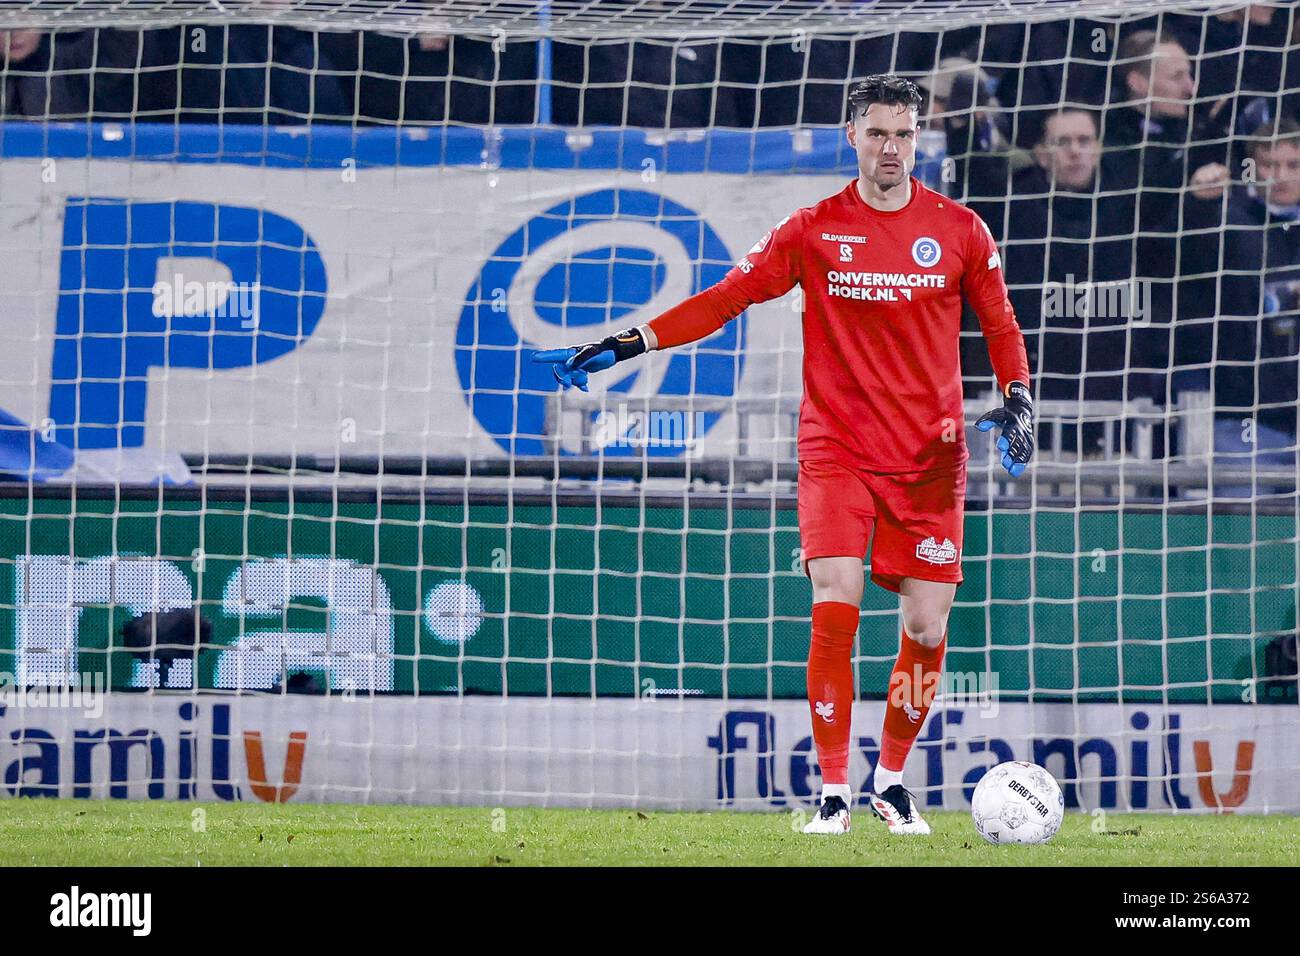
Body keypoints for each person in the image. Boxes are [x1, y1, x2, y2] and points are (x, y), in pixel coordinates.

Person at [531, 74, 1033, 836]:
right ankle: (833, 792)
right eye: (877, 133)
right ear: (852, 135)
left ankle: (889, 785)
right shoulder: (813, 228)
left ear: (918, 137)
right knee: (837, 595)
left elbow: (999, 324)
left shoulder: (961, 230)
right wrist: (630, 342)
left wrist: (1019, 395)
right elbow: (725, 297)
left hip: (931, 457)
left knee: (928, 628)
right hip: (837, 448)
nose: (890, 147)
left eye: (903, 133)